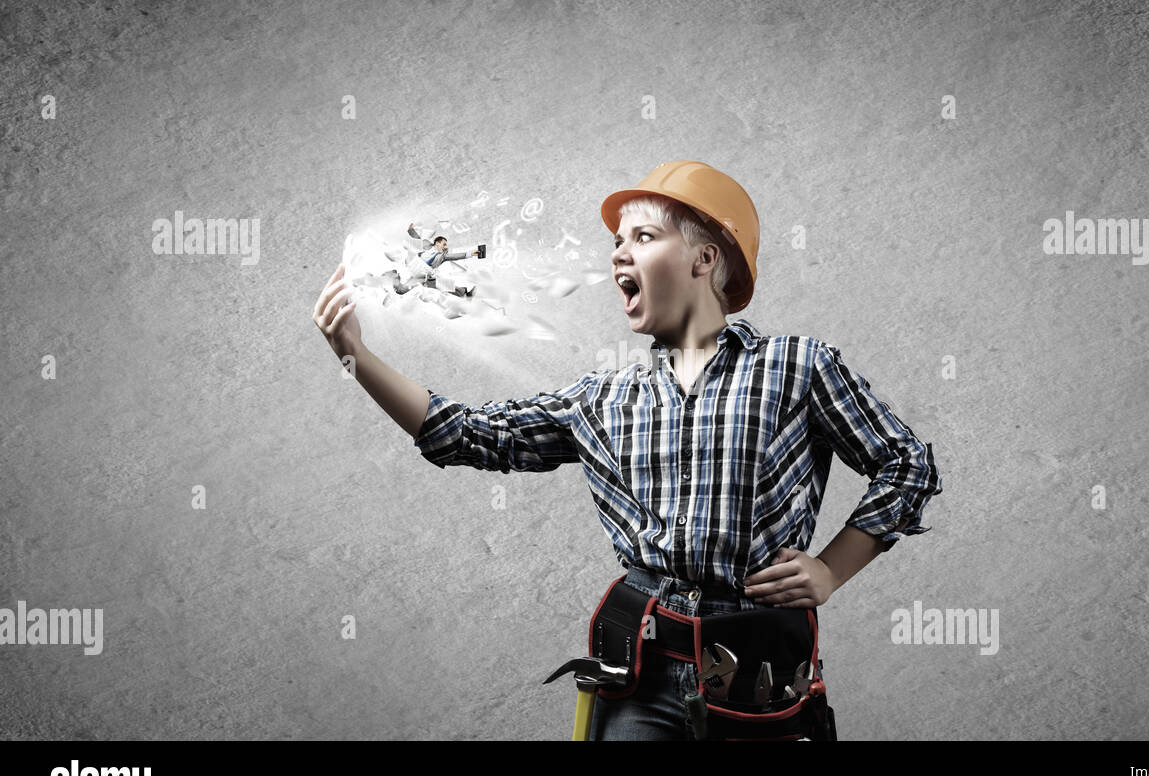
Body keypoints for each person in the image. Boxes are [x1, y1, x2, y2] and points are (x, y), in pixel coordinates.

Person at [312, 160, 943, 740]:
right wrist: (356, 357)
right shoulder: (605, 398)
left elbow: (906, 463)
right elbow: (471, 435)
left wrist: (830, 568)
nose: (619, 253)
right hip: (639, 666)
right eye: (616, 242)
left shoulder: (797, 366)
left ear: (704, 257)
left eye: (642, 237)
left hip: (760, 672)